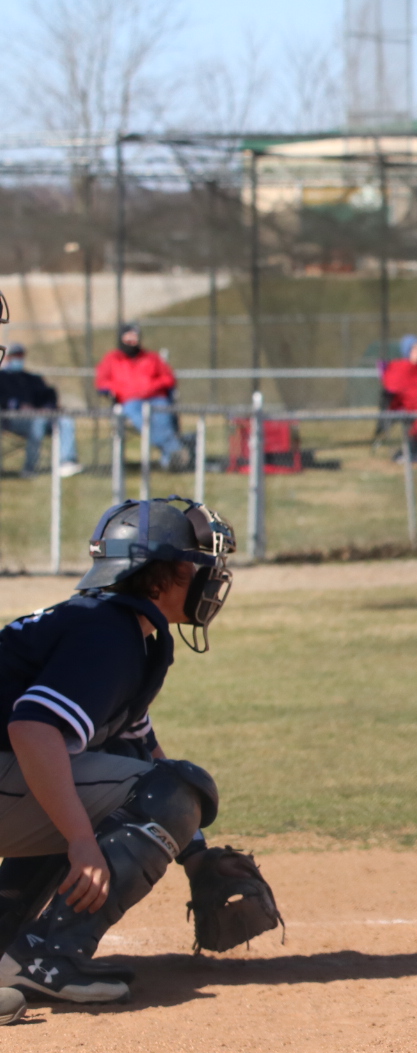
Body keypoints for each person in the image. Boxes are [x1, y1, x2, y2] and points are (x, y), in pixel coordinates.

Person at [0, 498, 238, 1005]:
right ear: (174, 571)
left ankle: (10, 950)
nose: (212, 580)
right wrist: (82, 841)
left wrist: (195, 856)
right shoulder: (108, 635)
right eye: (201, 566)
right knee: (170, 790)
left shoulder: (123, 630)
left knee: (134, 786)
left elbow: (137, 748)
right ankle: (49, 958)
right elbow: (34, 730)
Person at [94, 323, 190, 471]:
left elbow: (169, 378)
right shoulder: (112, 359)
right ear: (121, 339)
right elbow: (102, 383)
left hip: (156, 397)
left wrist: (153, 386)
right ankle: (175, 449)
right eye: (128, 338)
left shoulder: (151, 357)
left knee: (163, 417)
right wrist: (115, 390)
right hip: (129, 401)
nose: (132, 342)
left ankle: (170, 460)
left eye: (135, 338)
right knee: (138, 417)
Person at [0, 346, 81, 477]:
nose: (18, 359)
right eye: (15, 356)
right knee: (38, 422)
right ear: (7, 357)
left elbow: (48, 395)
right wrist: (19, 405)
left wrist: (47, 407)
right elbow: (3, 399)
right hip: (12, 419)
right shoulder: (2, 378)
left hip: (40, 416)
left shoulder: (31, 378)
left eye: (20, 356)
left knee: (65, 420)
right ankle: (30, 468)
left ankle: (66, 461)